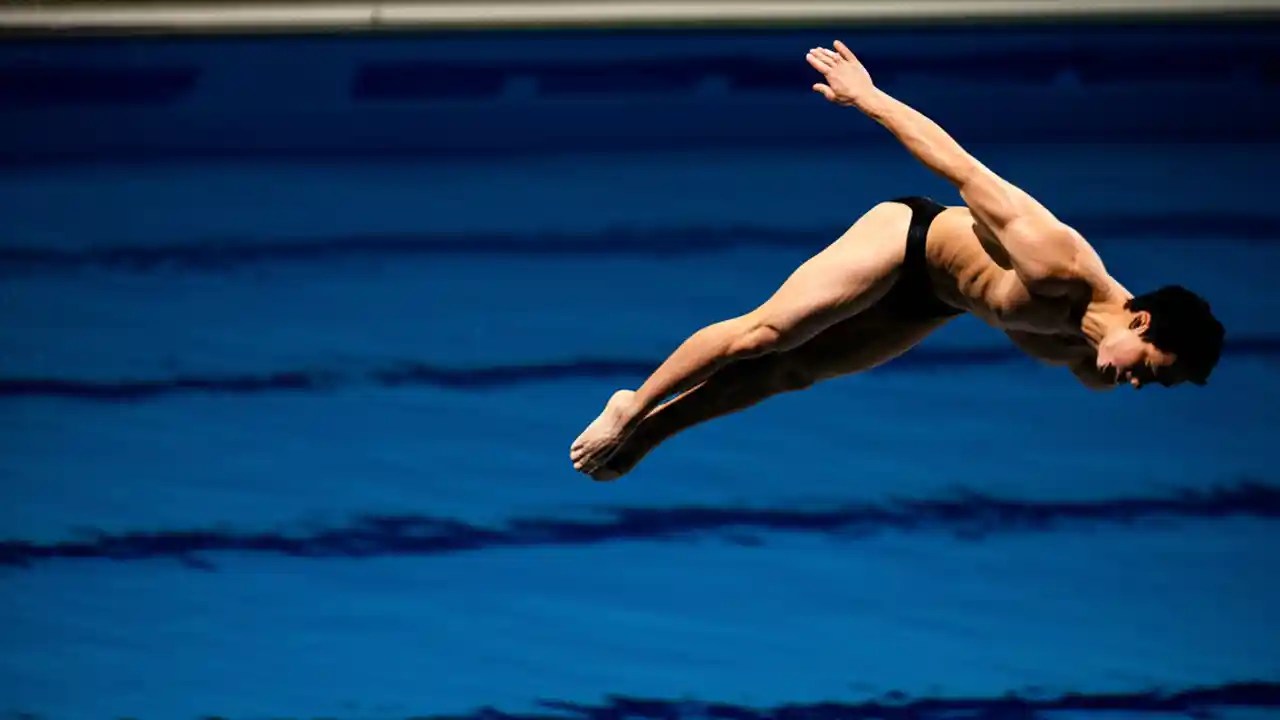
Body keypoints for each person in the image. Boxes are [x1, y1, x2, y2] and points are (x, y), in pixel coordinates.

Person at [569, 40, 1224, 481]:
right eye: (1152, 371)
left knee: (790, 374)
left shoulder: (1091, 362)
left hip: (934, 299)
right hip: (908, 238)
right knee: (767, 335)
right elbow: (960, 167)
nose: (1139, 386)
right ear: (1139, 323)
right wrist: (868, 97)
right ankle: (633, 404)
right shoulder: (1059, 266)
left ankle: (653, 434)